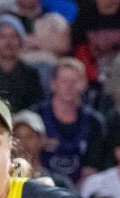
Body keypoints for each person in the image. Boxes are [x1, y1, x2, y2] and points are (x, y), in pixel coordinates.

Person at [36, 58, 107, 187]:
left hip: (80, 193)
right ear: (53, 84)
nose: (69, 86)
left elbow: (91, 170)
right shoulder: (35, 118)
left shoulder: (95, 123)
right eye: (64, 81)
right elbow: (28, 162)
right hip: (40, 188)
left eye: (75, 81)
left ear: (84, 84)